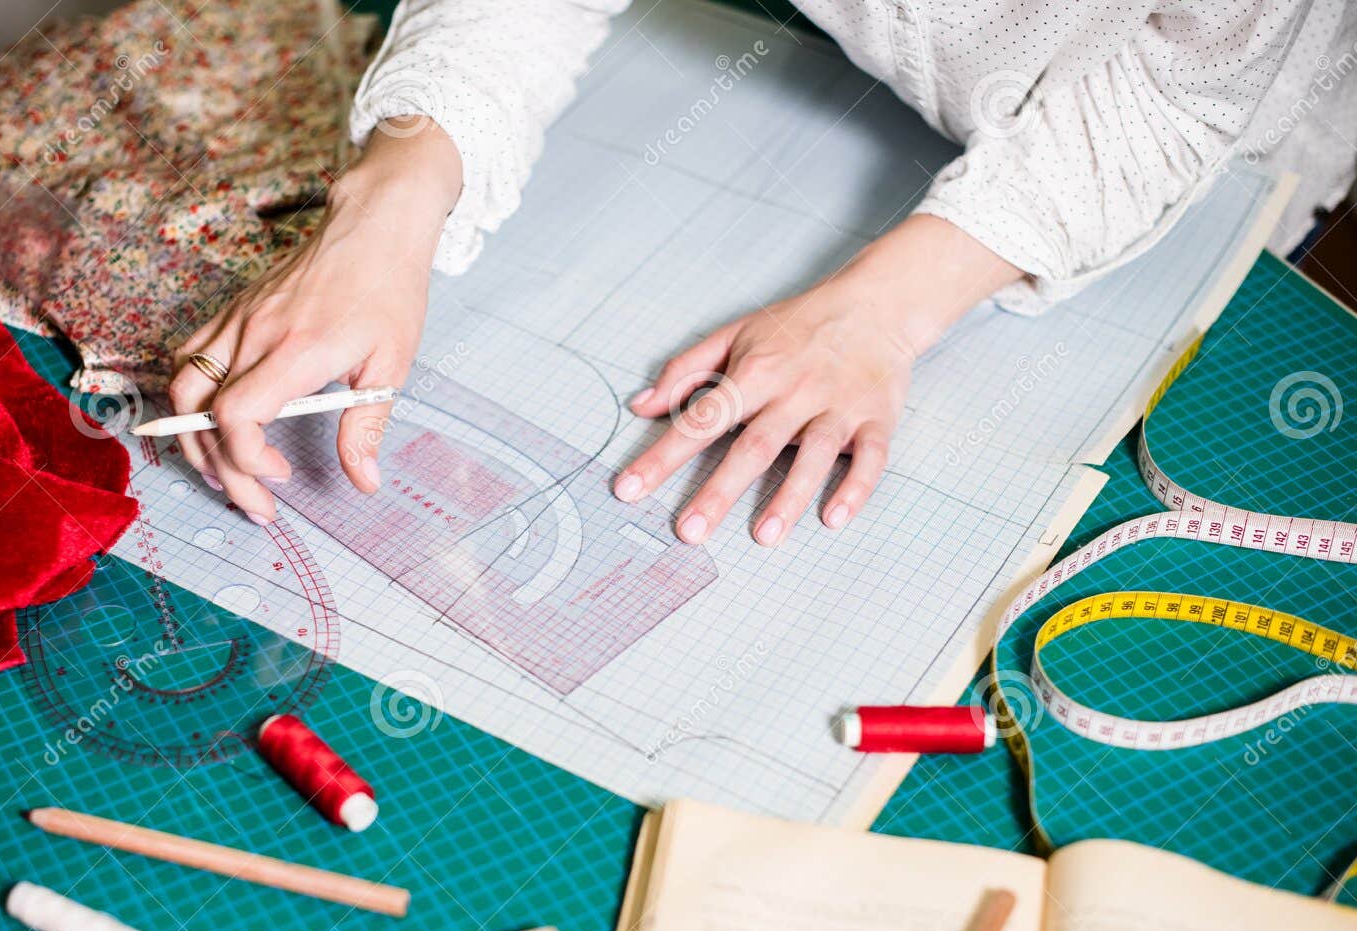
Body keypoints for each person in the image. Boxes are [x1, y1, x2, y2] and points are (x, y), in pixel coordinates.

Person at [169, 0, 1353, 548]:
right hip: (850, 64)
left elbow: (1181, 92)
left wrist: (884, 309)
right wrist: (395, 195)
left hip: (1203, 150)